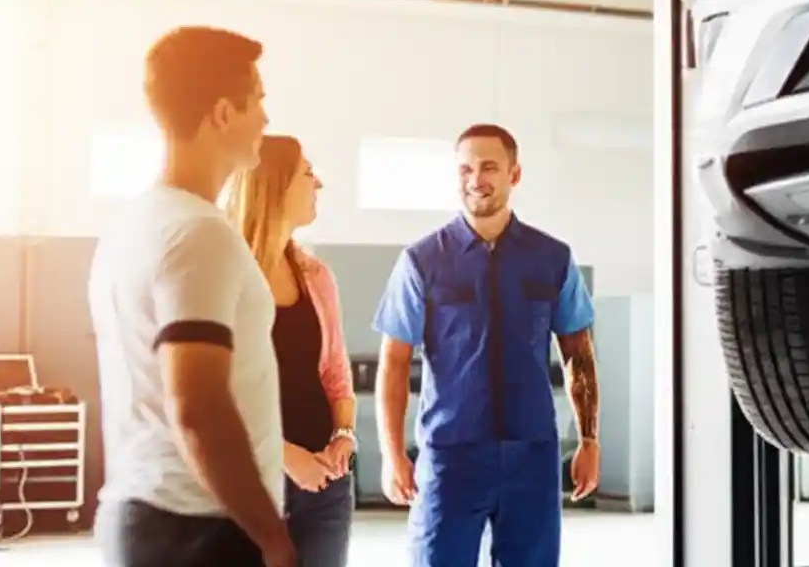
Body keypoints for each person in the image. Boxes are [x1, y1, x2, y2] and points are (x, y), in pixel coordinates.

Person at [88, 26, 297, 567]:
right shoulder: (199, 233)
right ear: (224, 113)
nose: (266, 119)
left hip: (150, 517)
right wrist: (272, 536)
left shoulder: (133, 224)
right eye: (258, 100)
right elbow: (198, 407)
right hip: (198, 530)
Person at [373, 123, 602, 567]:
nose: (476, 179)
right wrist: (392, 453)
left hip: (531, 454)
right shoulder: (422, 260)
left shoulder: (552, 258)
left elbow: (578, 352)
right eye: (465, 169)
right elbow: (394, 361)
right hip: (450, 455)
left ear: (515, 174)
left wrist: (589, 440)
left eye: (489, 167)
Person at [225, 134, 358, 567]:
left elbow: (335, 374)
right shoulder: (224, 275)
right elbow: (213, 393)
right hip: (249, 483)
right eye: (307, 173)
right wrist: (284, 456)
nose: (318, 184)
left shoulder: (316, 276)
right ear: (275, 185)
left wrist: (343, 434)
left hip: (324, 484)